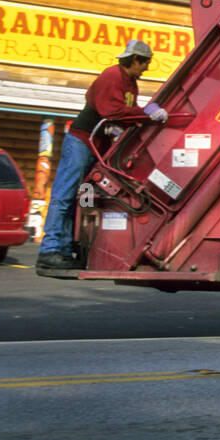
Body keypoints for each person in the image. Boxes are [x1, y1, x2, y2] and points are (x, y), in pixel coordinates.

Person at [37, 40, 167, 273]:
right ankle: (49, 250)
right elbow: (111, 111)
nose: (146, 68)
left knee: (79, 199)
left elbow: (119, 113)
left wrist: (135, 117)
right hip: (81, 142)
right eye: (145, 63)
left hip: (94, 144)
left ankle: (64, 250)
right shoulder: (112, 76)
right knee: (64, 195)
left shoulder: (129, 83)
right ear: (135, 59)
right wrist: (145, 114)